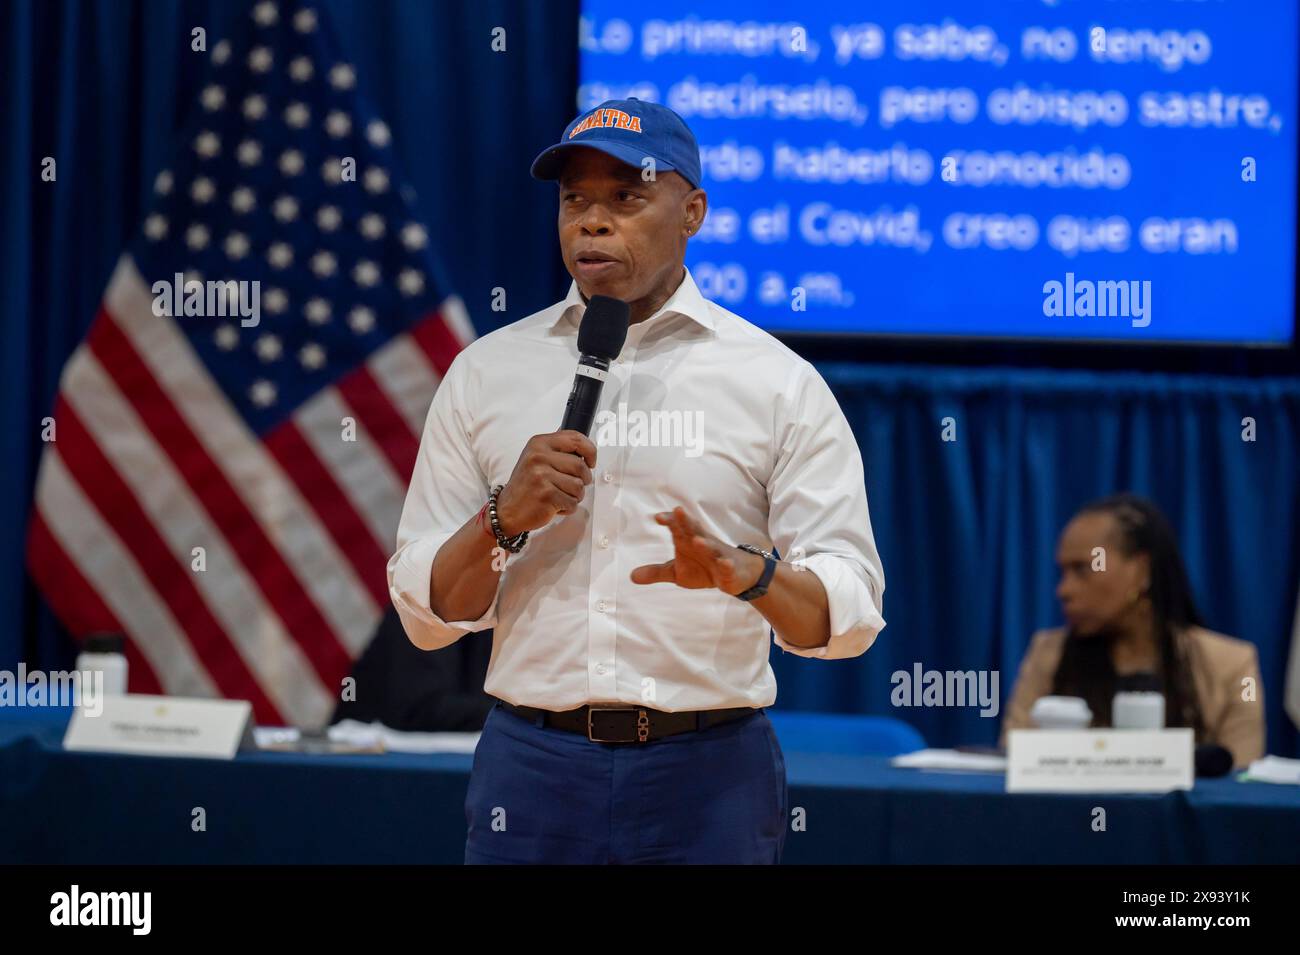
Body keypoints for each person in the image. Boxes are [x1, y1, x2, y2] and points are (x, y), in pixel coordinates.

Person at [387, 98, 886, 864]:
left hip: (709, 773)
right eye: (574, 200)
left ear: (692, 212)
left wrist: (749, 575)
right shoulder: (486, 372)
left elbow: (848, 614)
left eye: (625, 197)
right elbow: (430, 616)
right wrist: (502, 518)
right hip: (533, 767)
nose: (592, 222)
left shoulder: (777, 383)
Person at [1001, 493, 1264, 768]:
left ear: (1141, 570)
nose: (1063, 590)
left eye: (1082, 569)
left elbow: (1241, 779)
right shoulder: (1047, 655)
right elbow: (1013, 760)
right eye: (1063, 572)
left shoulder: (1233, 666)